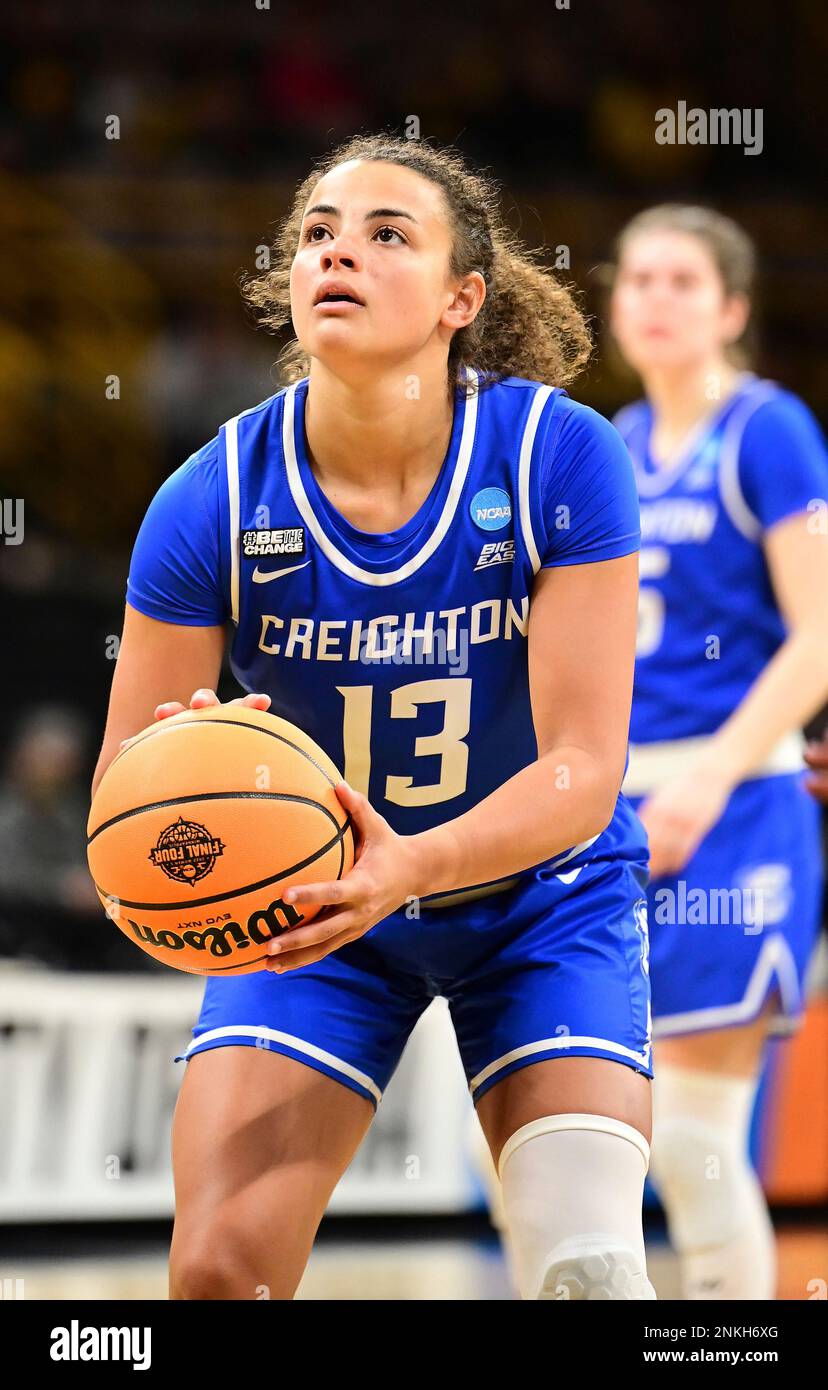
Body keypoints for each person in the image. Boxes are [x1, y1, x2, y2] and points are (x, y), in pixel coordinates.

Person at [92, 133, 655, 1301]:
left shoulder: (561, 456)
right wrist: (176, 786)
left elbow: (586, 771)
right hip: (312, 913)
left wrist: (411, 866)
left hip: (538, 894)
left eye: (387, 232)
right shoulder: (213, 499)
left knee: (588, 1268)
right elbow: (117, 805)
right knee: (215, 1273)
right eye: (317, 233)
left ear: (464, 298)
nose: (339, 252)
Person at [609, 204, 828, 1299]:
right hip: (614, 811)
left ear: (732, 308)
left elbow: (823, 630)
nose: (653, 297)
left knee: (693, 1139)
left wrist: (705, 775)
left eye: (682, 281)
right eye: (637, 278)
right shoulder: (608, 444)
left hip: (735, 799)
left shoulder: (769, 429)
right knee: (580, 1145)